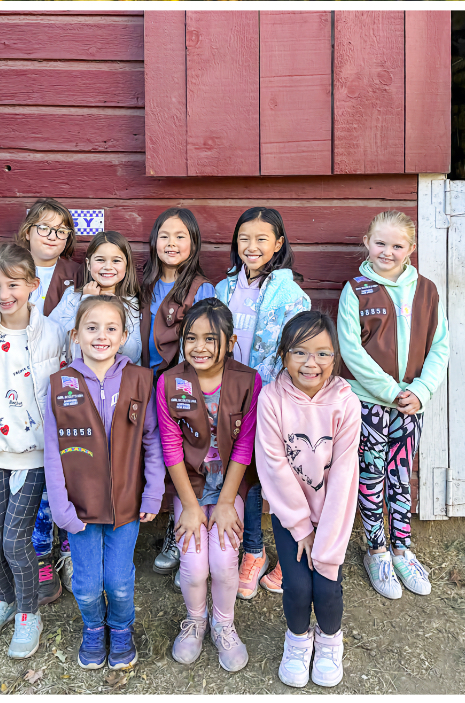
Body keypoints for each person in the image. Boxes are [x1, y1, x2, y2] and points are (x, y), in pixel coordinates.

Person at [43, 295, 164, 670]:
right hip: (79, 505)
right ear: (76, 335)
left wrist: (153, 491)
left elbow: (152, 440)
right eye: (91, 328)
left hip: (126, 504)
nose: (101, 336)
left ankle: (121, 629)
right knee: (87, 583)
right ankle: (94, 629)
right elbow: (52, 449)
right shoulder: (61, 384)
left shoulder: (140, 380)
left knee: (119, 581)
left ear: (124, 335)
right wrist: (61, 508)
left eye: (111, 328)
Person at [0, 243, 66, 659]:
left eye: (14, 285)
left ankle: (28, 612)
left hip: (34, 455)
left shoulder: (53, 334)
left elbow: (63, 391)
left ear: (32, 286)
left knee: (15, 541)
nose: (5, 294)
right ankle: (2, 599)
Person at [337, 211, 450, 600]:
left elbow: (440, 346)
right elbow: (350, 348)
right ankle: (376, 549)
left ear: (411, 249)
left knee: (400, 474)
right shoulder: (356, 289)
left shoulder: (427, 292)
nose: (387, 251)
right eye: (380, 243)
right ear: (367, 242)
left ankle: (401, 547)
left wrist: (421, 390)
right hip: (369, 402)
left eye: (397, 245)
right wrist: (388, 390)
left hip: (411, 405)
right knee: (371, 475)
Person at [0, 198, 83, 607]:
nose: (52, 236)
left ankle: (70, 552)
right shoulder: (5, 272)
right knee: (31, 487)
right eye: (44, 228)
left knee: (66, 473)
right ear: (27, 231)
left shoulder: (77, 274)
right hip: (13, 395)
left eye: (61, 230)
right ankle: (41, 555)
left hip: (58, 380)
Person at [255, 311, 361, 688]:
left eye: (322, 354)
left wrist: (326, 539)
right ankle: (298, 640)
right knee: (297, 586)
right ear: (284, 355)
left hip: (333, 514)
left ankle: (330, 640)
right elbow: (273, 466)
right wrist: (301, 528)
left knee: (327, 584)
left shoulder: (346, 404)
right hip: (290, 515)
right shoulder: (271, 399)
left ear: (335, 357)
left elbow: (345, 476)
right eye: (300, 353)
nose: (310, 363)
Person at [212, 206, 310, 600]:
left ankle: (294, 555)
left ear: (278, 244)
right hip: (228, 398)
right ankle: (254, 550)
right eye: (244, 239)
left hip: (270, 400)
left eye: (261, 240)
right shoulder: (224, 289)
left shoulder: (291, 295)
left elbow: (298, 353)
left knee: (282, 477)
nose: (251, 247)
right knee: (245, 477)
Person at [157, 299, 260, 671]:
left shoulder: (248, 381)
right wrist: (188, 506)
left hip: (231, 488)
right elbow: (170, 447)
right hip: (192, 487)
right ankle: (196, 620)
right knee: (194, 565)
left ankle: (224, 623)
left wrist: (228, 502)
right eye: (191, 338)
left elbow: (245, 444)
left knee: (224, 563)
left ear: (230, 342)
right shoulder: (169, 382)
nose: (198, 347)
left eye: (210, 339)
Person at [140, 207, 217, 577]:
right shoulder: (140, 284)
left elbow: (205, 343)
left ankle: (180, 533)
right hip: (141, 382)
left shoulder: (202, 288)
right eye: (165, 235)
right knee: (150, 456)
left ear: (193, 243)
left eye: (180, 236)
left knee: (184, 461)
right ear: (154, 241)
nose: (171, 243)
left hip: (180, 387)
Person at [48, 230, 144, 366]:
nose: (108, 267)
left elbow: (133, 353)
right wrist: (86, 302)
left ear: (126, 265)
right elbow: (51, 335)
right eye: (100, 260)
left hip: (115, 380)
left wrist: (116, 312)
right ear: (88, 264)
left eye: (116, 260)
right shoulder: (72, 296)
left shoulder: (130, 303)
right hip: (78, 377)